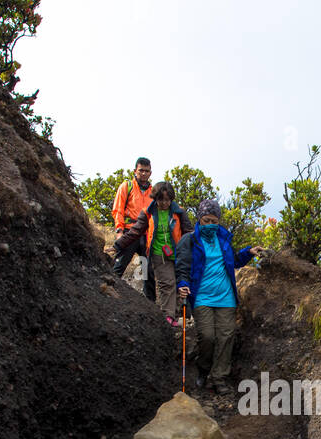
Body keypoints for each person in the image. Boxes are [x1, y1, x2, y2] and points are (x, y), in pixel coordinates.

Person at [174, 198, 265, 394]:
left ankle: (219, 377)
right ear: (199, 219)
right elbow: (182, 267)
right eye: (206, 220)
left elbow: (234, 261)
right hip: (201, 296)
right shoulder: (189, 241)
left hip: (225, 296)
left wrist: (248, 252)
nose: (210, 225)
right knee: (207, 337)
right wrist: (182, 285)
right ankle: (203, 369)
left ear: (219, 221)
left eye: (214, 221)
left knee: (226, 336)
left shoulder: (223, 238)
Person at [117, 181, 193, 322]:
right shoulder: (148, 212)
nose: (164, 203)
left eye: (167, 200)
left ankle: (177, 315)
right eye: (160, 199)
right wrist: (118, 245)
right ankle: (168, 316)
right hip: (158, 253)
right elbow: (135, 232)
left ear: (171, 199)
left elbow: (189, 232)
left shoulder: (179, 212)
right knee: (167, 283)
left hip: (177, 253)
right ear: (155, 198)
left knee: (179, 283)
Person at [111, 157, 154, 280]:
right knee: (119, 266)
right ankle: (108, 292)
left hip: (146, 235)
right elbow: (118, 210)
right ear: (135, 171)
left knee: (148, 272)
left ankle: (148, 299)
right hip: (129, 232)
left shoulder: (153, 192)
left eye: (147, 171)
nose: (144, 173)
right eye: (141, 170)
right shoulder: (127, 186)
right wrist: (119, 231)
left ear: (150, 173)